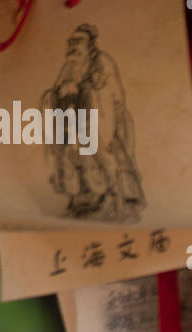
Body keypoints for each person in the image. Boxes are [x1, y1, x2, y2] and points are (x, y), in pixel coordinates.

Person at [43, 24, 145, 222]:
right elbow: (57, 90)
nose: (73, 47)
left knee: (102, 155)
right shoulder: (70, 65)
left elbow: (103, 89)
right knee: (69, 154)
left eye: (78, 42)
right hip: (75, 119)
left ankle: (118, 202)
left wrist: (80, 87)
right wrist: (58, 94)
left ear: (90, 44)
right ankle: (80, 202)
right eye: (71, 42)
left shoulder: (101, 61)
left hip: (103, 117)